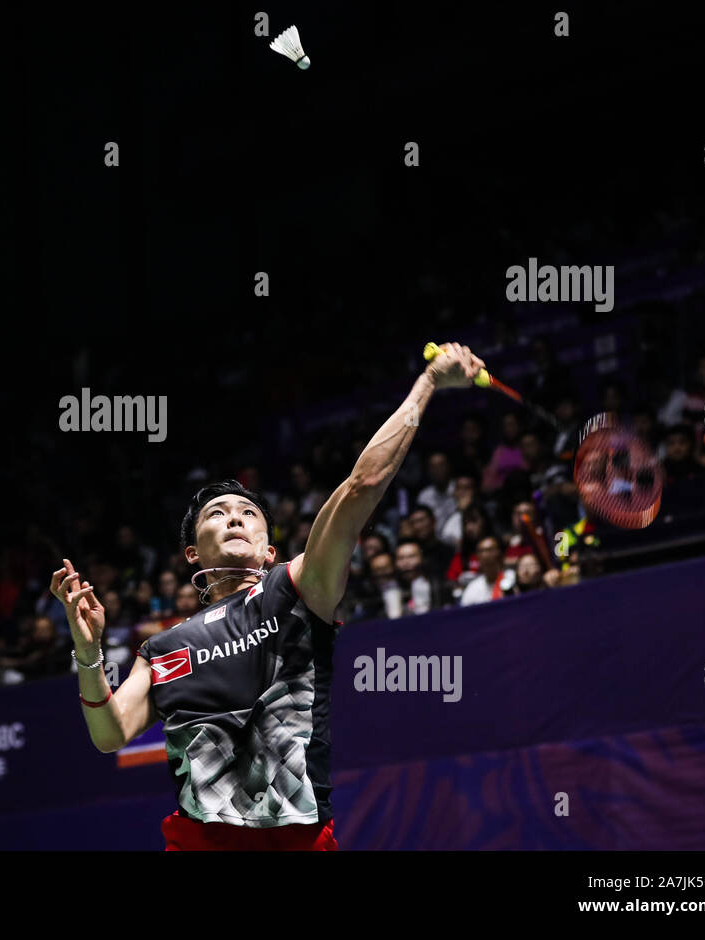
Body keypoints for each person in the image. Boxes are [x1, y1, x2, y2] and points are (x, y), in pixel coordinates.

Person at [50, 343, 488, 850]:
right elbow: (110, 734)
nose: (234, 516)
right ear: (192, 553)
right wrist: (88, 653)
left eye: (247, 512)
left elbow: (361, 485)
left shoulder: (297, 589)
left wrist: (429, 382)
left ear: (269, 549)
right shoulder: (162, 649)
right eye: (217, 513)